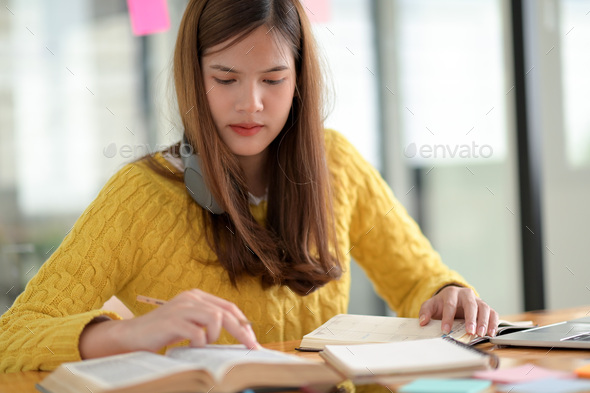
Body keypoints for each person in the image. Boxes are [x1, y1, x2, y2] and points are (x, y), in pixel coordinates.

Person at [0, 0, 498, 373]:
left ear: (300, 80)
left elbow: (419, 282)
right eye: (226, 78)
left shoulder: (337, 163)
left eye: (274, 79)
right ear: (194, 78)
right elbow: (12, 338)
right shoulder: (140, 196)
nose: (251, 104)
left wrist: (448, 293)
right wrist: (129, 333)